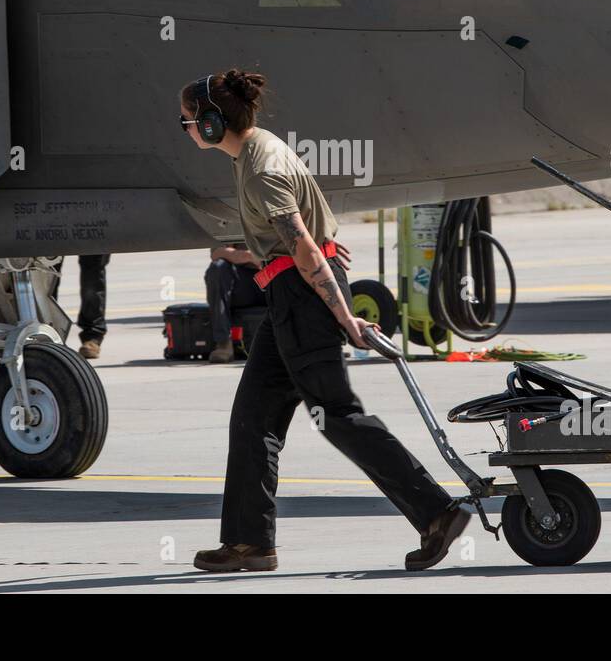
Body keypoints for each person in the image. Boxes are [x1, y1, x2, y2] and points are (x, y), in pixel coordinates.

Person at [178, 69, 468, 573]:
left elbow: (303, 247)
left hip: (302, 295)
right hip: (291, 295)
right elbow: (305, 233)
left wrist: (345, 316)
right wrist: (323, 254)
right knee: (253, 418)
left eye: (185, 121)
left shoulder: (261, 166)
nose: (183, 130)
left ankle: (436, 513)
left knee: (336, 413)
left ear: (209, 123)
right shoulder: (258, 149)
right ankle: (249, 542)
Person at [205, 243, 265, 364]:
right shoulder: (231, 223)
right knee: (218, 268)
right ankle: (224, 343)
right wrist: (247, 256)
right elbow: (217, 252)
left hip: (272, 274)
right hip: (242, 281)